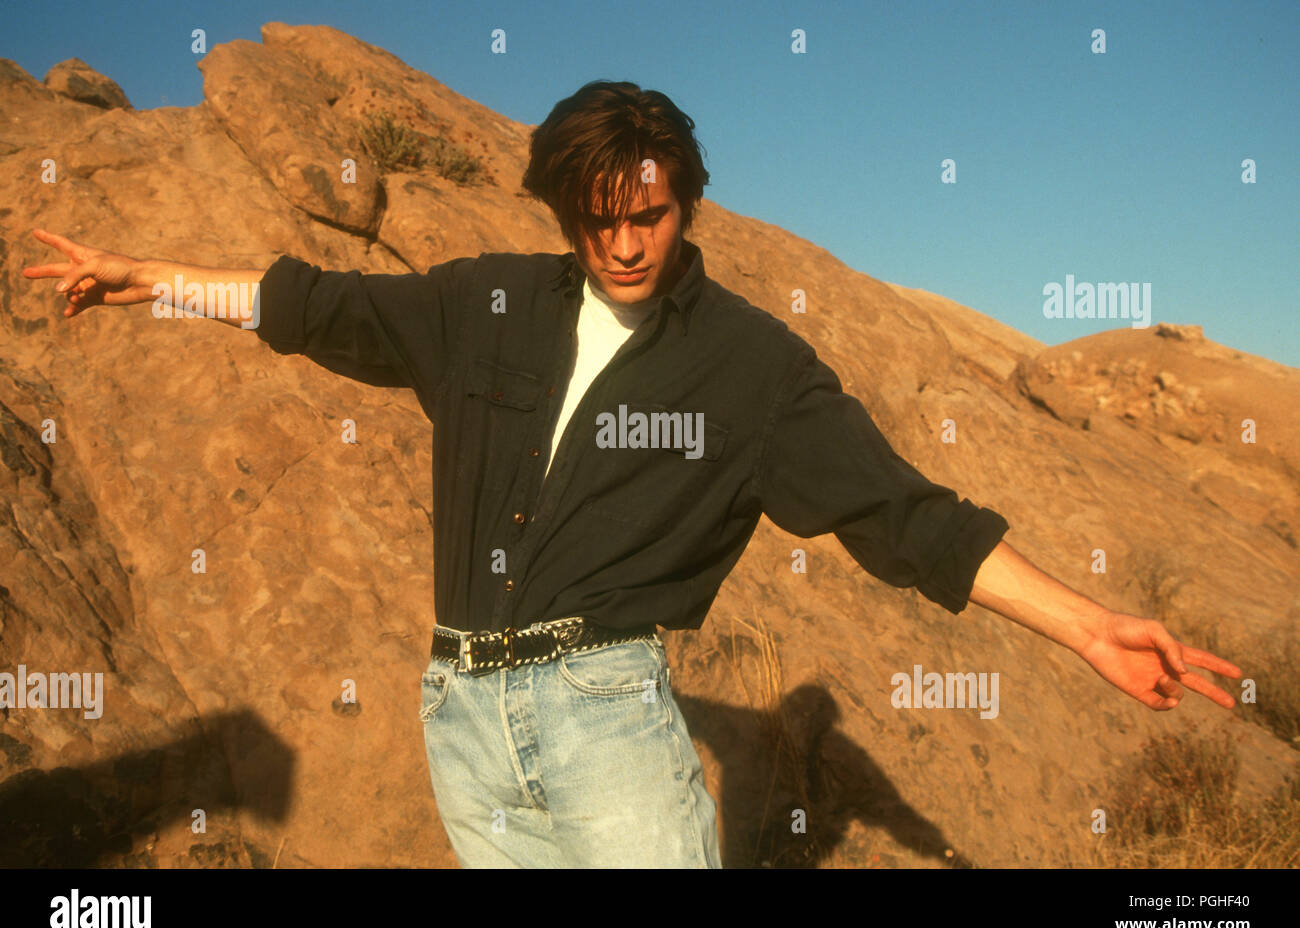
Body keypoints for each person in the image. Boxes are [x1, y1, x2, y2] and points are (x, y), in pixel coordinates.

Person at [23, 80, 1242, 869]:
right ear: (566, 211)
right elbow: (313, 306)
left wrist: (1087, 625)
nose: (621, 242)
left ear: (687, 204)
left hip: (602, 714)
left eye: (647, 214)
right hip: (461, 719)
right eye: (595, 216)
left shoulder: (752, 368)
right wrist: (151, 282)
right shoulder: (486, 304)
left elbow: (901, 513)